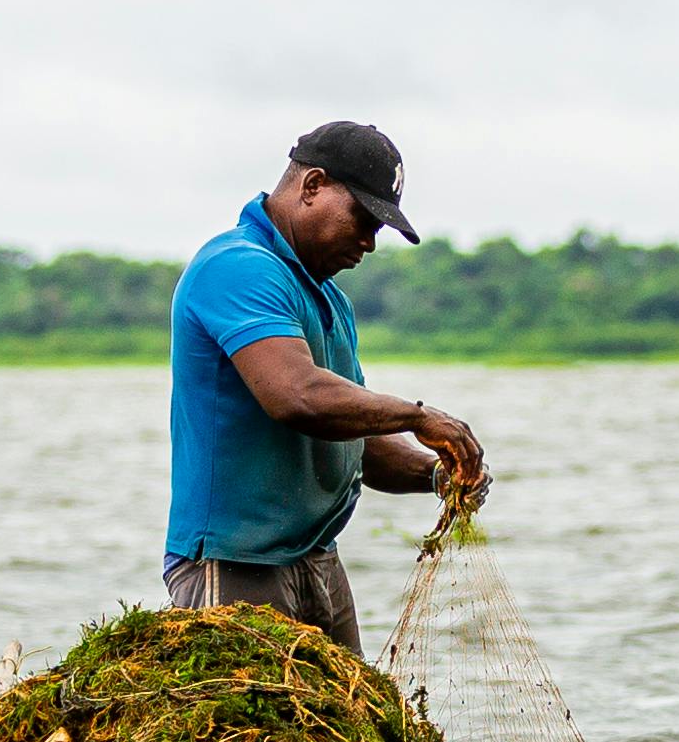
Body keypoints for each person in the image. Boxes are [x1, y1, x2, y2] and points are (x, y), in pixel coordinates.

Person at [161, 121, 482, 655]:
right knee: (254, 737)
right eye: (363, 218)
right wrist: (419, 416)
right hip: (237, 564)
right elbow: (297, 396)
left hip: (316, 560)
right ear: (312, 185)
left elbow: (352, 437)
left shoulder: (330, 300)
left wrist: (435, 475)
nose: (369, 243)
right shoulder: (238, 267)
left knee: (353, 733)